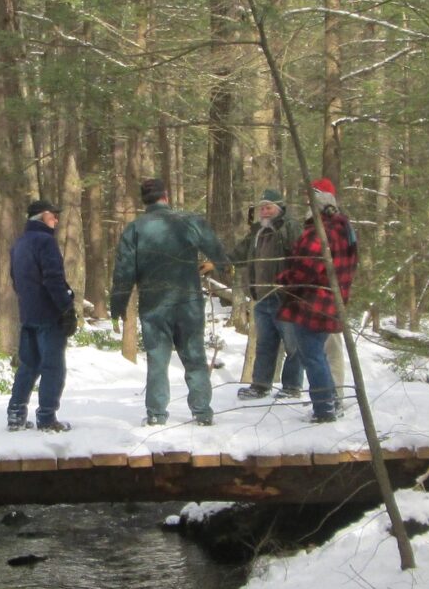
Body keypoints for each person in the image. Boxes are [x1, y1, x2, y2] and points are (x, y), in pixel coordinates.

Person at [110, 177, 230, 426]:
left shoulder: (134, 229)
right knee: (195, 357)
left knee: (157, 360)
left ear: (144, 200)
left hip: (154, 306)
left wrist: (118, 305)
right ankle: (202, 412)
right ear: (166, 196)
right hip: (189, 303)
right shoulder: (189, 221)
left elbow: (123, 272)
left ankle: (156, 414)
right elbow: (216, 249)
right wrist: (220, 265)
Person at [274, 178, 358, 423]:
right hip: (332, 300)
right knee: (319, 354)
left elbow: (306, 267)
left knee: (313, 356)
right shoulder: (344, 229)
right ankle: (330, 402)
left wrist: (284, 278)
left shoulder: (321, 231)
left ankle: (324, 408)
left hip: (313, 301)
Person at [7, 199, 78, 432]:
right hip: (49, 315)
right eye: (53, 216)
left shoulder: (19, 244)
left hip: (27, 314)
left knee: (28, 365)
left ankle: (16, 414)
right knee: (53, 367)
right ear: (40, 216)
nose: (56, 220)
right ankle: (47, 418)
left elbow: (16, 282)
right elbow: (53, 279)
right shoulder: (45, 242)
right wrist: (66, 308)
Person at [233, 187, 302, 402]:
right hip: (262, 297)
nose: (264, 211)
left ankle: (291, 387)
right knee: (264, 344)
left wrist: (294, 287)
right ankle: (261, 385)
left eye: (268, 207)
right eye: (262, 207)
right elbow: (239, 254)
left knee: (293, 345)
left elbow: (302, 257)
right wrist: (216, 261)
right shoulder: (257, 232)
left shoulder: (290, 228)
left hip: (285, 297)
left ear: (280, 208)